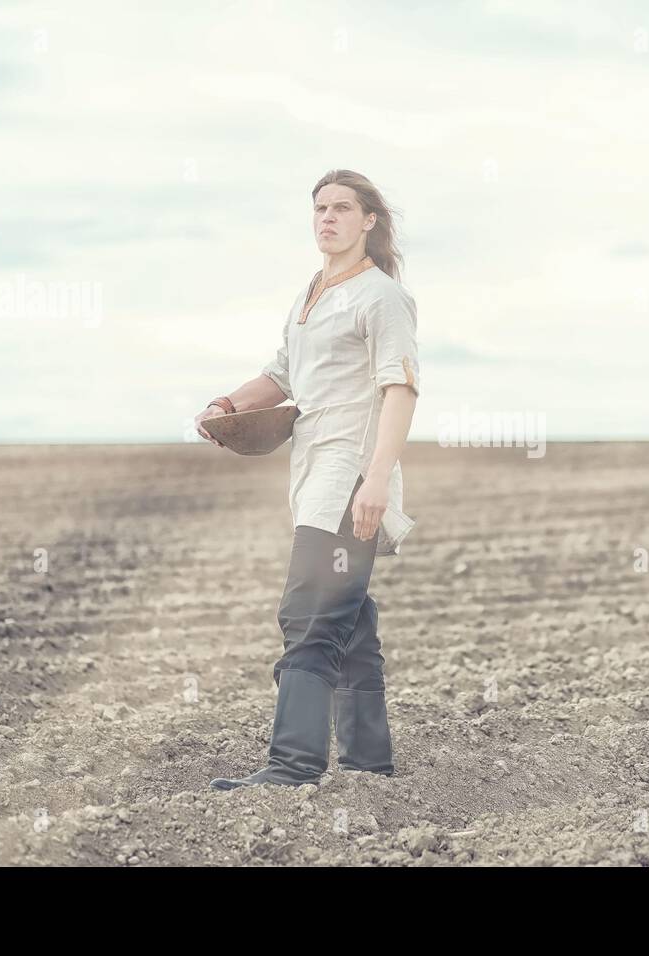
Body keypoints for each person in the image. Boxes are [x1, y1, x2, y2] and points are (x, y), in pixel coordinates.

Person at [197, 170, 420, 789]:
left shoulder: (383, 298)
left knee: (310, 611)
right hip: (314, 477)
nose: (327, 218)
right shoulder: (311, 293)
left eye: (342, 208)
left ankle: (292, 765)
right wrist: (230, 405)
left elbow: (399, 388)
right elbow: (282, 371)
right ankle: (368, 762)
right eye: (319, 209)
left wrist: (377, 479)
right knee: (351, 617)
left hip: (352, 477)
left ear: (368, 221)